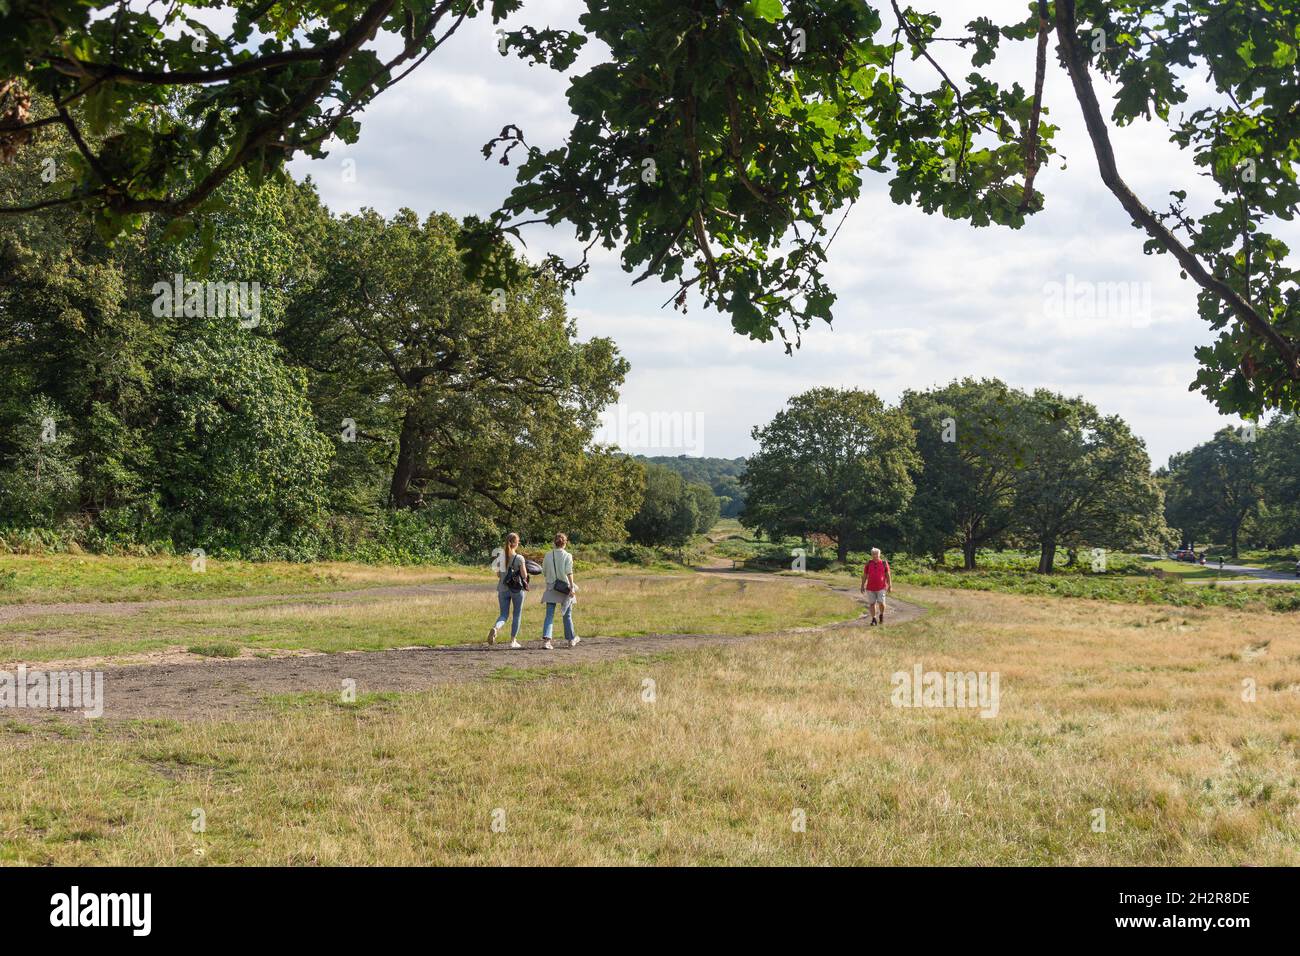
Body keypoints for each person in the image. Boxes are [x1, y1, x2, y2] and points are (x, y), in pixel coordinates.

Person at [488, 532, 528, 648]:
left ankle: (496, 628)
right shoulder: (519, 558)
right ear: (515, 544)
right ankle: (513, 641)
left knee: (504, 615)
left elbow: (499, 575)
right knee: (517, 614)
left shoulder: (500, 557)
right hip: (516, 589)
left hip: (502, 588)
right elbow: (524, 575)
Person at [541, 532, 579, 650]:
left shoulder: (548, 555)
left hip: (551, 586)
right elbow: (569, 572)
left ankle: (547, 642)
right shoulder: (568, 556)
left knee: (549, 615)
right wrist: (572, 587)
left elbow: (544, 572)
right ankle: (570, 640)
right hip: (564, 589)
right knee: (567, 615)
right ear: (565, 543)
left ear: (554, 542)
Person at [860, 547, 892, 626]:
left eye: (876, 554)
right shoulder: (868, 563)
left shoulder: (884, 563)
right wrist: (862, 585)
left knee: (881, 603)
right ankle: (874, 619)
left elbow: (888, 575)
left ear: (879, 554)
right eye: (873, 554)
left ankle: (881, 614)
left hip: (881, 587)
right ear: (871, 555)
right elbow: (865, 575)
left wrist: (890, 585)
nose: (875, 556)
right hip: (870, 587)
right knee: (872, 604)